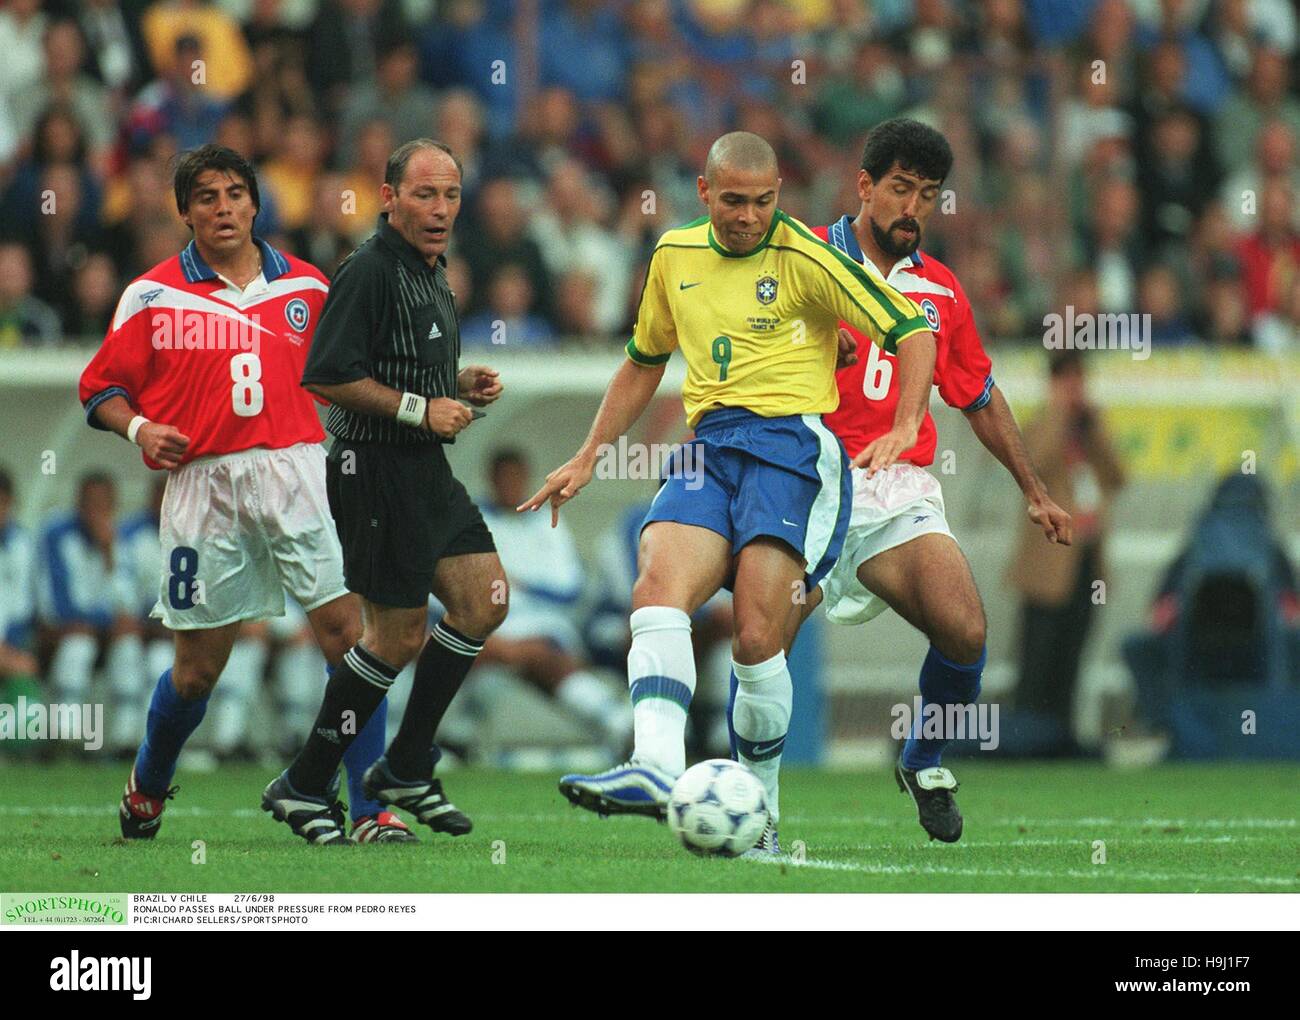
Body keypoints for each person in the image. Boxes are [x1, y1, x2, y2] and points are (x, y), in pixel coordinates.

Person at [521, 131, 937, 854]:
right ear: (706, 193)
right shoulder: (673, 256)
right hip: (707, 446)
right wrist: (589, 454)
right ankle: (654, 768)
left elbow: (911, 331)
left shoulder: (808, 256)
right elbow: (642, 361)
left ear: (779, 197)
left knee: (754, 637)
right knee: (656, 591)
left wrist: (906, 422)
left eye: (765, 202)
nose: (750, 216)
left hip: (792, 449)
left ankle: (763, 815)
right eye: (736, 201)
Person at [78, 144, 411, 845]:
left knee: (351, 639)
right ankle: (146, 784)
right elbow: (101, 387)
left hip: (298, 474)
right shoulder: (153, 294)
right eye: (206, 196)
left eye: (235, 193)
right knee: (197, 672)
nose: (222, 207)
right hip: (204, 486)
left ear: (256, 204)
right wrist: (140, 428)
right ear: (185, 212)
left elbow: (361, 371)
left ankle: (373, 810)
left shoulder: (309, 287)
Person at [781, 118, 1073, 843]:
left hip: (895, 489)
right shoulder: (807, 259)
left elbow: (978, 394)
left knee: (966, 628)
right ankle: (749, 803)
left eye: (929, 195)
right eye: (901, 189)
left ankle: (923, 759)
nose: (913, 207)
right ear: (865, 187)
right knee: (761, 637)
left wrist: (1033, 489)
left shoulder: (940, 290)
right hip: (803, 479)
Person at [270, 139, 507, 846]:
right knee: (394, 636)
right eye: (425, 194)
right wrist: (419, 408)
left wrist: (456, 386)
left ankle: (406, 763)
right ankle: (305, 783)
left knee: (484, 598)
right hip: (373, 469)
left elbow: (400, 366)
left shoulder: (432, 273)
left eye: (451, 196)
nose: (440, 210)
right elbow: (327, 375)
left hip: (424, 470)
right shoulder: (368, 269)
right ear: (388, 197)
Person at [1005, 348, 1124, 757]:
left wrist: (1093, 430)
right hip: (1047, 563)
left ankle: (1061, 739)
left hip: (1085, 559)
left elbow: (1117, 476)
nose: (1076, 390)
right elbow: (1031, 464)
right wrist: (1059, 414)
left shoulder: (1090, 429)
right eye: (1068, 381)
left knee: (1073, 653)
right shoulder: (1040, 422)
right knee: (1037, 657)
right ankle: (1026, 739)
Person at [476, 448, 631, 756]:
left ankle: (619, 724)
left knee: (539, 653)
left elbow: (570, 588)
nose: (510, 485)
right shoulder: (473, 519)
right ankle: (436, 741)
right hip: (485, 623)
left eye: (516, 478)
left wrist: (521, 584)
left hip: (542, 622)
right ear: (491, 480)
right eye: (503, 478)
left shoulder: (546, 520)